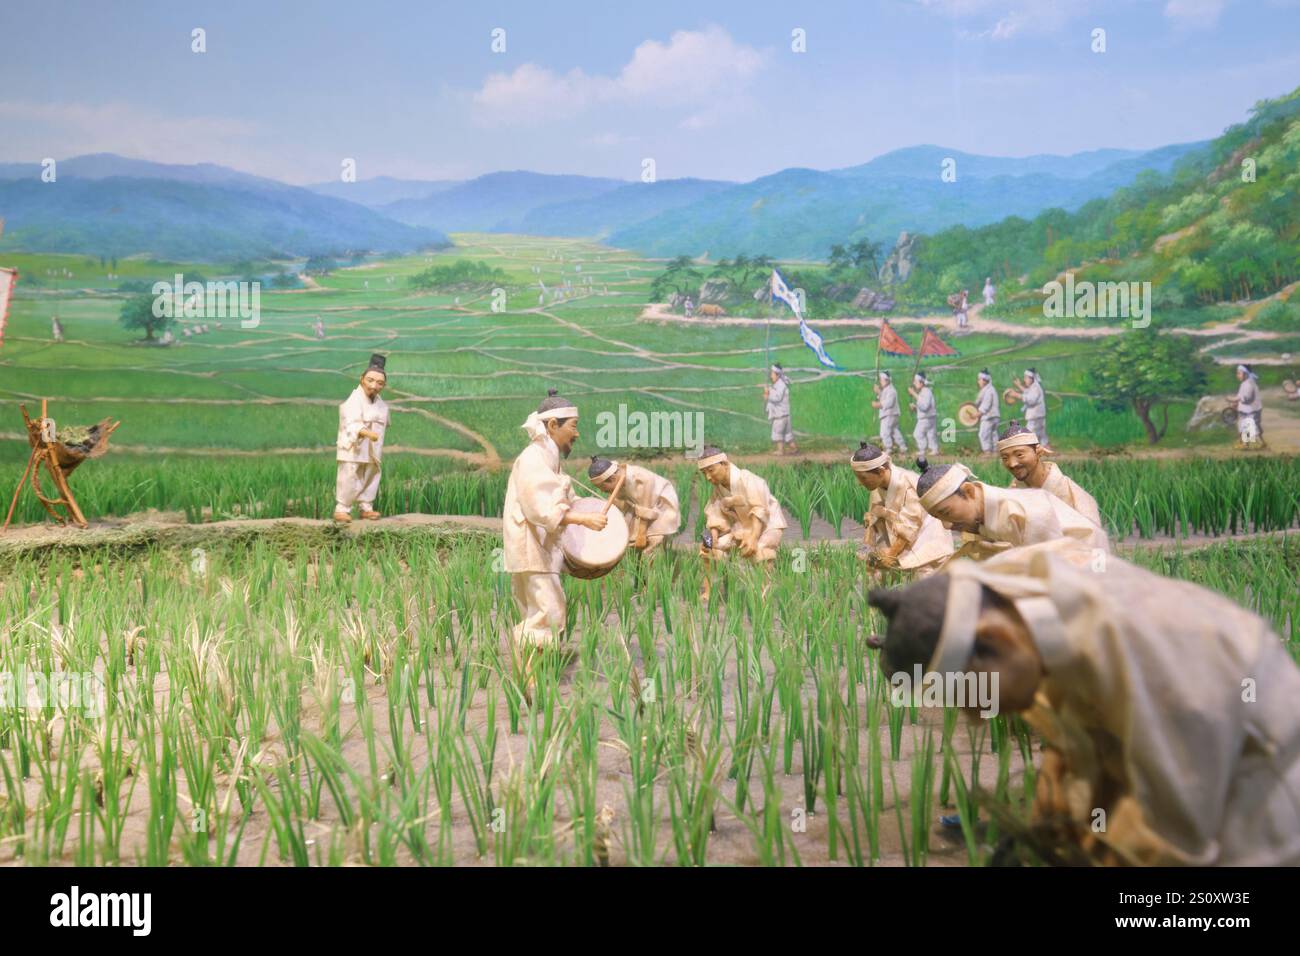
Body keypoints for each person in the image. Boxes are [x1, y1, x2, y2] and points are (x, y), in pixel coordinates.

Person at [867, 547, 1300, 866]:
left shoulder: (1152, 652)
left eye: (972, 698)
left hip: (1257, 801)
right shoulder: (1030, 606)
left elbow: (1177, 840)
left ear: (994, 639)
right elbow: (1078, 709)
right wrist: (1058, 773)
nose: (978, 717)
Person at [503, 389, 607, 657]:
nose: (577, 433)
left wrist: (592, 508)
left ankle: (532, 675)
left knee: (540, 612)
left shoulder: (548, 458)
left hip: (538, 548)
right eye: (574, 426)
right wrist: (585, 519)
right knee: (547, 611)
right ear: (552, 425)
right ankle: (529, 679)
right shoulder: (533, 458)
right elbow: (541, 507)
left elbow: (563, 497)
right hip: (531, 548)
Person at [916, 461, 1109, 564]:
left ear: (969, 491)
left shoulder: (1027, 514)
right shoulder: (980, 519)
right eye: (938, 518)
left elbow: (1052, 570)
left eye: (946, 512)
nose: (946, 525)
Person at [851, 442, 953, 575]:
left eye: (863, 478)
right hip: (901, 540)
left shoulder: (908, 486)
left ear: (881, 471)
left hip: (926, 541)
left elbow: (908, 527)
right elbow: (873, 520)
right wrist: (866, 550)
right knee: (879, 574)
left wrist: (890, 556)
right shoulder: (877, 485)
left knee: (922, 579)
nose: (859, 483)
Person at [998, 422, 1102, 528]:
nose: (1012, 464)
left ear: (1038, 451)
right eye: (1005, 458)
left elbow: (1092, 536)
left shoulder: (1074, 495)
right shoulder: (1012, 494)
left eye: (1019, 455)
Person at [698, 445, 786, 563]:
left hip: (767, 526)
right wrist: (712, 539)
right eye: (704, 473)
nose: (708, 477)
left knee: (759, 552)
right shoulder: (718, 490)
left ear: (724, 464)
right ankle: (712, 581)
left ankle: (765, 581)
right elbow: (715, 515)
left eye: (711, 470)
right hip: (742, 527)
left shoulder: (747, 479)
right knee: (710, 553)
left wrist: (753, 538)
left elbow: (759, 509)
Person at [334, 354, 390, 523]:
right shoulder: (354, 399)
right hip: (354, 447)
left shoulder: (381, 404)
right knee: (350, 475)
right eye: (370, 380)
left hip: (373, 450)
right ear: (362, 379)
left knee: (371, 475)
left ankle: (366, 507)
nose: (374, 386)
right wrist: (366, 432)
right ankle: (342, 508)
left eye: (380, 383)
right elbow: (349, 422)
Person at [589, 457, 681, 557]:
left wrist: (641, 534)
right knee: (629, 536)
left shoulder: (641, 479)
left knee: (652, 539)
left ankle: (654, 564)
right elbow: (618, 503)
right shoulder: (618, 480)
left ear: (612, 479)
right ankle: (636, 561)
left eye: (603, 488)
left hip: (659, 505)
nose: (602, 491)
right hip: (636, 506)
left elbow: (646, 508)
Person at [1007, 368, 1049, 448]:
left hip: (1035, 416)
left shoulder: (1036, 388)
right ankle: (1046, 447)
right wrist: (1019, 386)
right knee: (1041, 433)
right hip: (1038, 415)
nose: (1024, 379)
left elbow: (1031, 399)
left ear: (1032, 378)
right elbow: (1027, 392)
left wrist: (1017, 395)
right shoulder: (1034, 387)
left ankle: (1029, 450)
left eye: (1026, 378)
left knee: (1029, 433)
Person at [764, 363, 797, 455]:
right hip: (784, 414)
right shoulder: (779, 384)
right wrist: (769, 390)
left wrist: (768, 394)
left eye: (772, 374)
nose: (771, 376)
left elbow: (777, 397)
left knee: (777, 432)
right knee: (787, 434)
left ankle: (780, 450)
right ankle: (793, 448)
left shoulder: (781, 385)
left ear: (777, 375)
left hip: (780, 414)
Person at [872, 370, 908, 454]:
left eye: (881, 380)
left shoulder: (891, 390)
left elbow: (888, 403)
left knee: (884, 432)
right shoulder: (886, 390)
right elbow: (883, 397)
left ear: (887, 380)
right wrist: (878, 392)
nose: (880, 382)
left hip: (889, 415)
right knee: (894, 431)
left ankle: (888, 448)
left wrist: (878, 404)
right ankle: (902, 446)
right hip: (891, 415)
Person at [908, 372, 940, 455]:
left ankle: (922, 449)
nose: (914, 383)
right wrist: (915, 408)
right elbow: (923, 407)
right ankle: (934, 449)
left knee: (917, 434)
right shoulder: (924, 392)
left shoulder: (926, 392)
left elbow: (925, 406)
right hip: (929, 416)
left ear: (921, 382)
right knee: (930, 434)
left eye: (915, 381)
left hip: (926, 418)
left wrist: (914, 394)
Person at [1234, 364, 1263, 443]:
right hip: (1245, 410)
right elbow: (1240, 395)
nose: (1237, 375)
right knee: (1243, 425)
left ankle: (1258, 443)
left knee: (1251, 425)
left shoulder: (1249, 384)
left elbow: (1246, 398)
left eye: (1239, 373)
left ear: (1245, 374)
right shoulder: (1244, 384)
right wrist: (1236, 401)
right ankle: (1246, 442)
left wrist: (1235, 399)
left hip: (1251, 410)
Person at [975, 369, 1000, 454]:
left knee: (983, 434)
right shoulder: (989, 389)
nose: (978, 381)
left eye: (979, 379)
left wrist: (978, 414)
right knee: (993, 434)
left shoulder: (989, 391)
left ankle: (987, 451)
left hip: (989, 416)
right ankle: (995, 451)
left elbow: (986, 404)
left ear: (985, 380)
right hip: (994, 416)